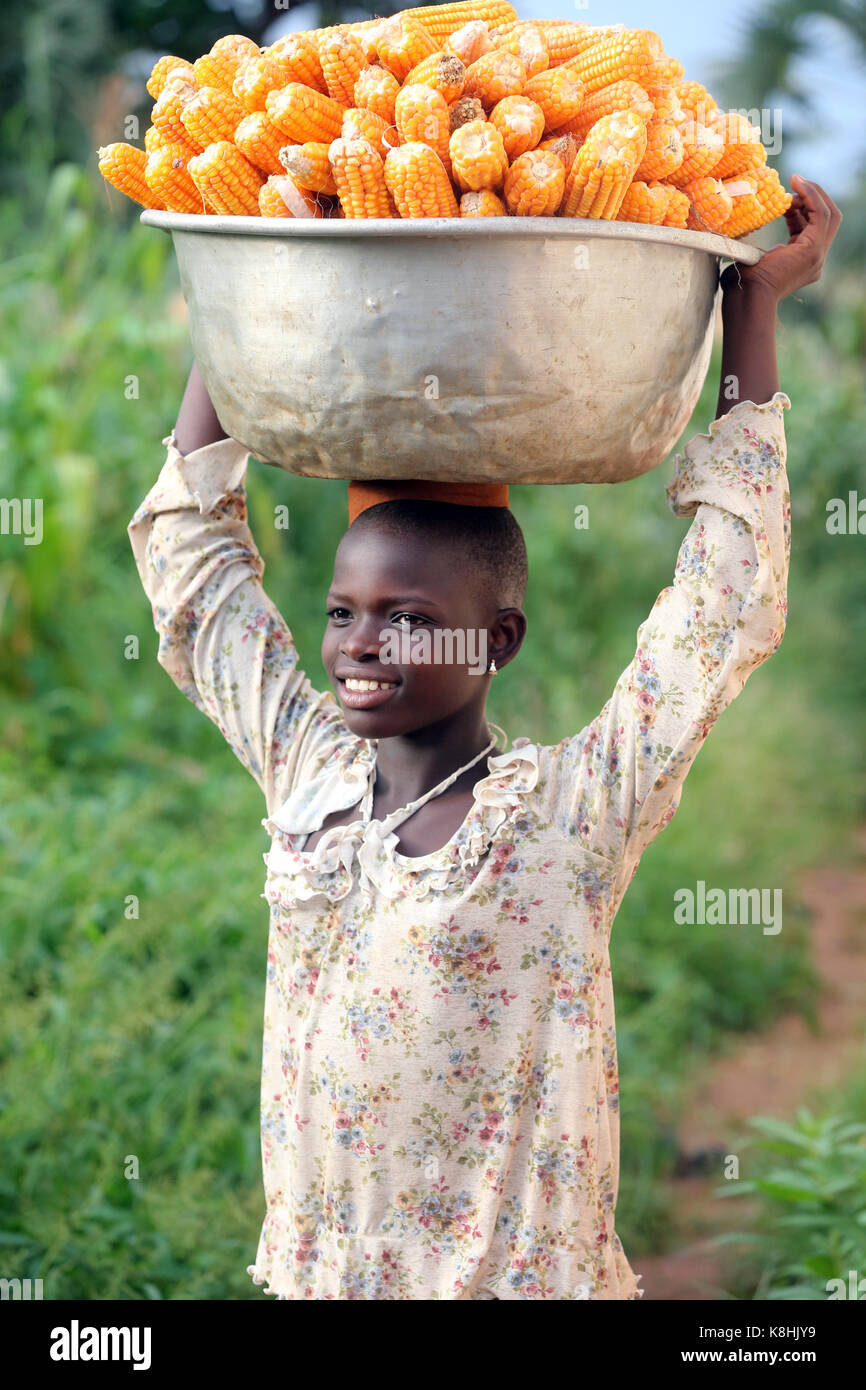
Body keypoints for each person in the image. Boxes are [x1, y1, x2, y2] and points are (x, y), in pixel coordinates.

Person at [128, 177, 840, 1300]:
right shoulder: (309, 776)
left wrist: (751, 312)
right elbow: (194, 575)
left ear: (497, 636)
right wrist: (251, 302)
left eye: (411, 619)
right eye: (344, 614)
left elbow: (723, 605)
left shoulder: (571, 812)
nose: (362, 646)